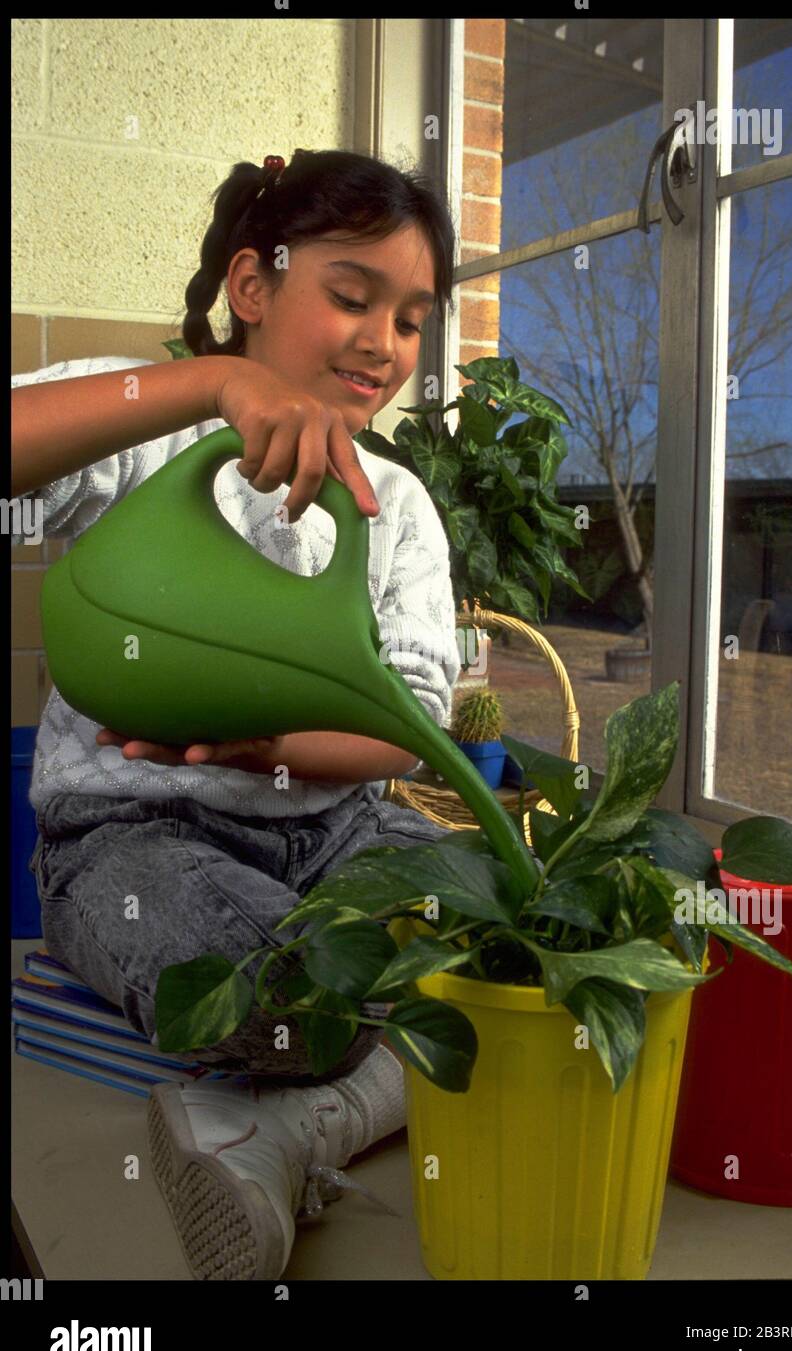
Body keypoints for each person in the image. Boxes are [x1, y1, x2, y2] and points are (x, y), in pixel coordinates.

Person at [11, 148, 462, 1280]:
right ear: (252, 287)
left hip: (343, 832)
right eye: (351, 297)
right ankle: (329, 1084)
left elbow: (413, 718)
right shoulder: (149, 427)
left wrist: (270, 743)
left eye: (411, 319)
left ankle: (280, 1130)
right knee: (283, 994)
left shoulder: (395, 501)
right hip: (138, 840)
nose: (382, 343)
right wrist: (208, 386)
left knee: (529, 935)